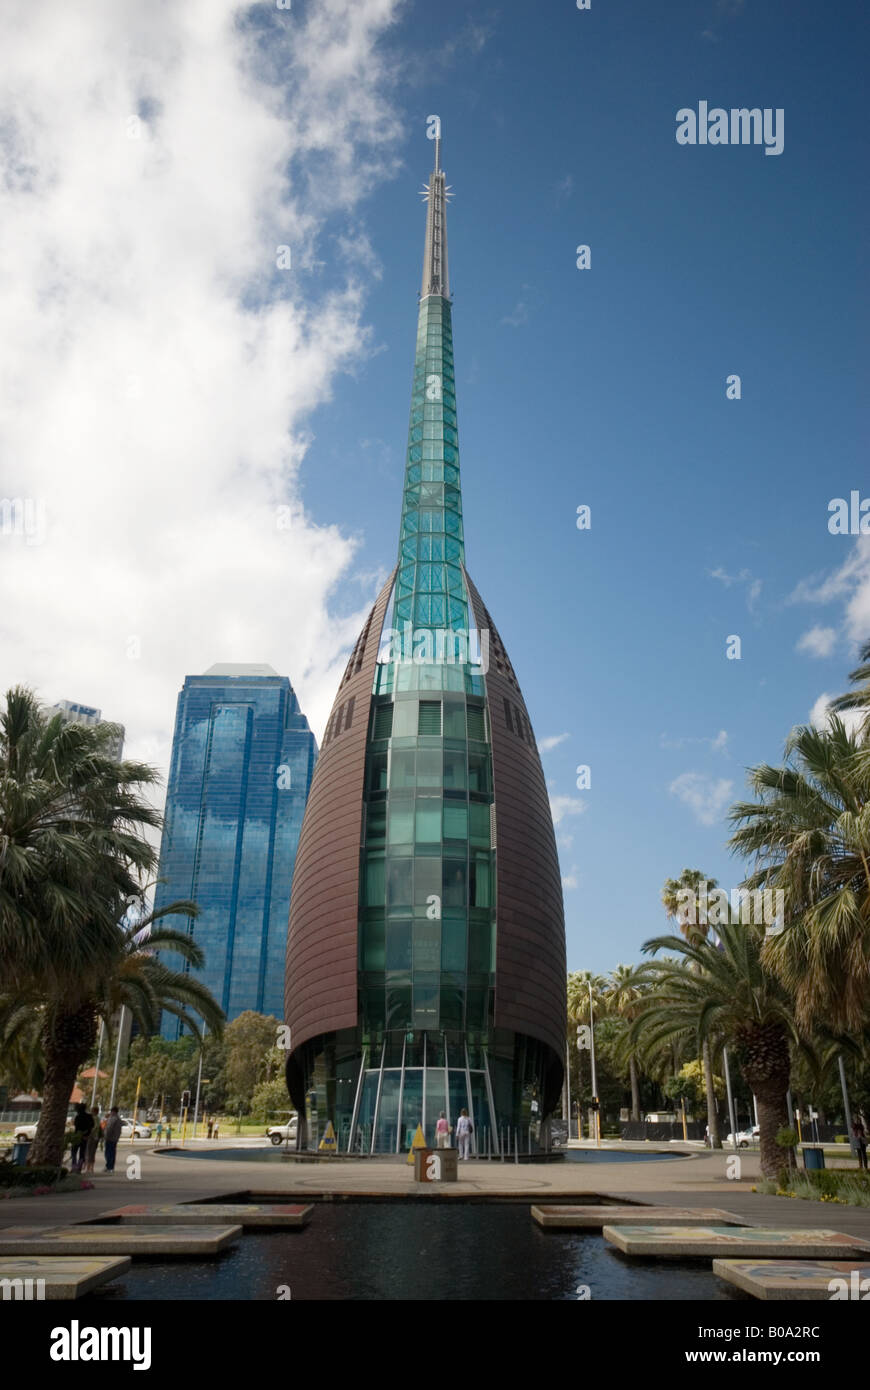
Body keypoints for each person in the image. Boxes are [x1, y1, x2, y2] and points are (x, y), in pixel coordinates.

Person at [70, 1102, 94, 1172]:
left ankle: (74, 1166)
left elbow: (76, 1126)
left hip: (77, 1136)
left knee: (74, 1152)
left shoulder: (78, 1117)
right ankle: (79, 1168)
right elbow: (92, 1126)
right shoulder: (89, 1116)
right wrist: (87, 1135)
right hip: (85, 1137)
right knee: (82, 1153)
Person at [103, 1106, 123, 1173]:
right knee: (112, 1152)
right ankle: (111, 1167)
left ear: (113, 1111)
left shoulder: (112, 1119)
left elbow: (109, 1128)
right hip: (115, 1138)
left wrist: (106, 1136)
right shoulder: (119, 1119)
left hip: (110, 1138)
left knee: (108, 1153)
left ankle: (109, 1166)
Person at [83, 1106, 101, 1173]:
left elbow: (95, 1127)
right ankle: (91, 1168)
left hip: (91, 1137)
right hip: (95, 1137)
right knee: (92, 1153)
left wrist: (89, 1132)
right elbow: (98, 1127)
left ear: (94, 1111)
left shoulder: (93, 1118)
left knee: (89, 1152)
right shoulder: (98, 1118)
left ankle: (88, 1168)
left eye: (92, 1111)